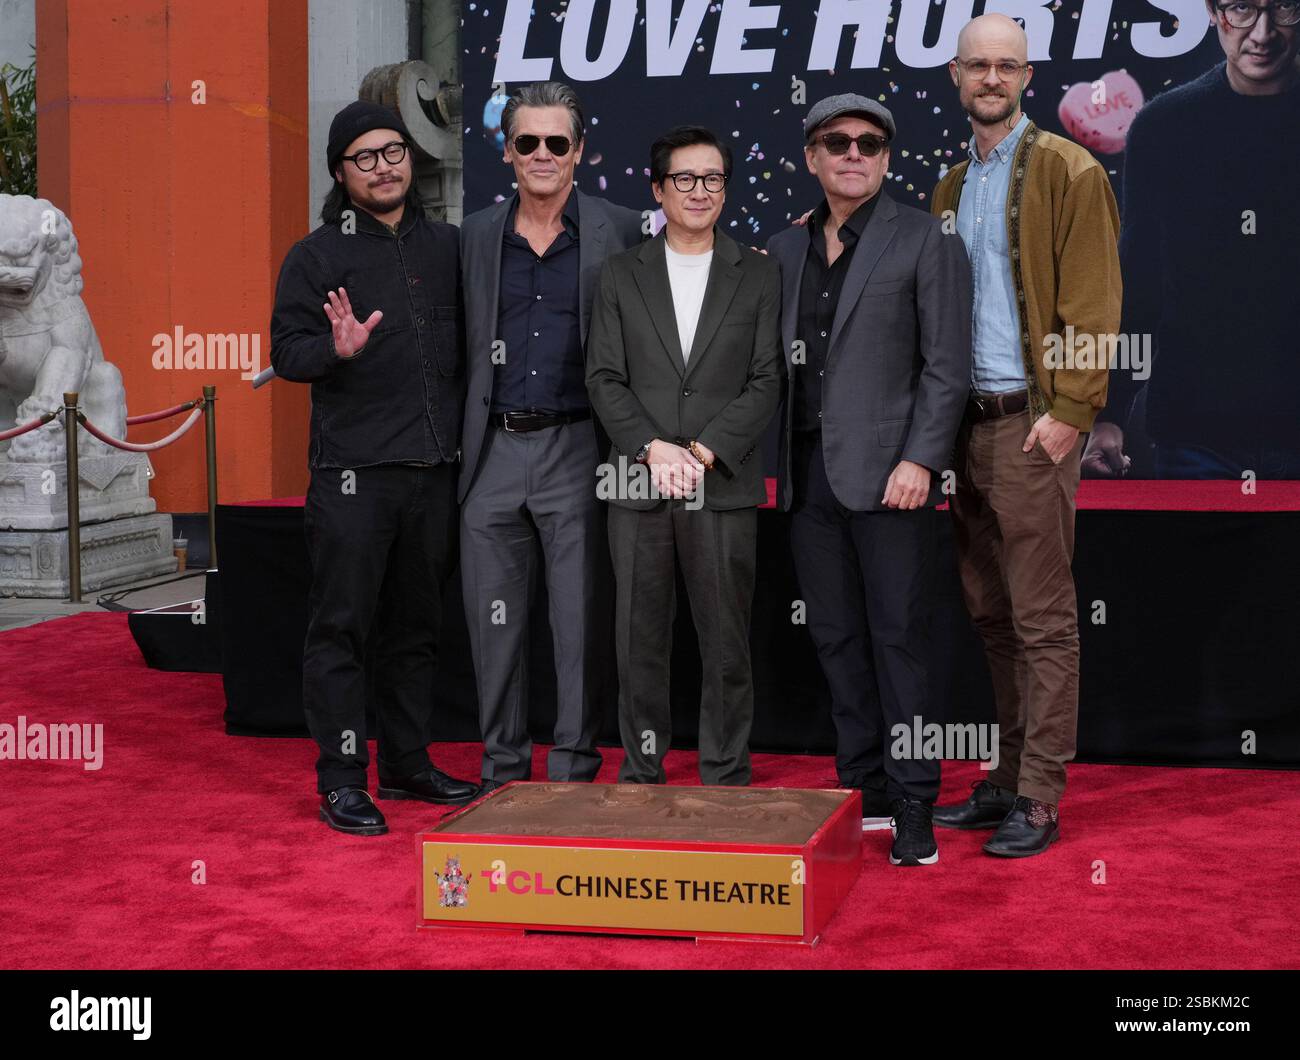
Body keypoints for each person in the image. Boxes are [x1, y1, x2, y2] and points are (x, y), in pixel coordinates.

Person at [930, 14, 1121, 857]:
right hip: (964, 429)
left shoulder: (1068, 169)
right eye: (980, 66)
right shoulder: (949, 187)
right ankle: (1006, 778)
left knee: (1042, 620)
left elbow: (1094, 301)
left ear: (1029, 75)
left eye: (1008, 65)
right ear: (957, 75)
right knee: (992, 615)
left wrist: (1068, 414)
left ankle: (1040, 796)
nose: (993, 78)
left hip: (1031, 428)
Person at [767, 95, 971, 866]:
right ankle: (864, 789)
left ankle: (916, 798)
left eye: (870, 143)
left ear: (886, 158)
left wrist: (921, 460)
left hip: (894, 479)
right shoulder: (781, 252)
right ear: (814, 156)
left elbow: (946, 366)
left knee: (900, 640)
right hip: (806, 477)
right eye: (837, 141)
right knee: (836, 639)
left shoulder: (924, 239)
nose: (854, 153)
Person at [270, 101, 477, 836]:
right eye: (365, 157)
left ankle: (409, 762)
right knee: (344, 629)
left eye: (393, 151)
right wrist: (337, 350)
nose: (383, 165)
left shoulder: (451, 246)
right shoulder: (317, 256)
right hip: (353, 478)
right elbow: (286, 353)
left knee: (417, 629)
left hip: (436, 473)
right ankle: (342, 778)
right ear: (340, 172)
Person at [459, 82, 644, 794]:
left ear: (581, 152)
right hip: (493, 452)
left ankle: (571, 770)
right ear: (507, 151)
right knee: (492, 625)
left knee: (578, 624)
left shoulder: (621, 229)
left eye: (556, 142)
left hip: (579, 450)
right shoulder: (476, 235)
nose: (541, 154)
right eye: (527, 142)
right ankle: (502, 769)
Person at [586, 125, 781, 786]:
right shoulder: (620, 272)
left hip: (721, 486)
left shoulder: (758, 272)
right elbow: (603, 378)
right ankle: (642, 769)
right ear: (658, 189)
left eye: (713, 179)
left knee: (725, 642)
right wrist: (650, 448)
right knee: (638, 641)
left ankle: (725, 770)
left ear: (726, 187)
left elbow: (768, 379)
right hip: (637, 487)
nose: (700, 191)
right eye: (686, 179)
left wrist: (698, 452)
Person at [1083, 0, 1300, 479]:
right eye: (1241, 8)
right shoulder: (1167, 127)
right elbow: (1139, 283)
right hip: (1198, 435)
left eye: (1285, 8)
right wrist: (1109, 413)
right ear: (1211, 10)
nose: (1262, 33)